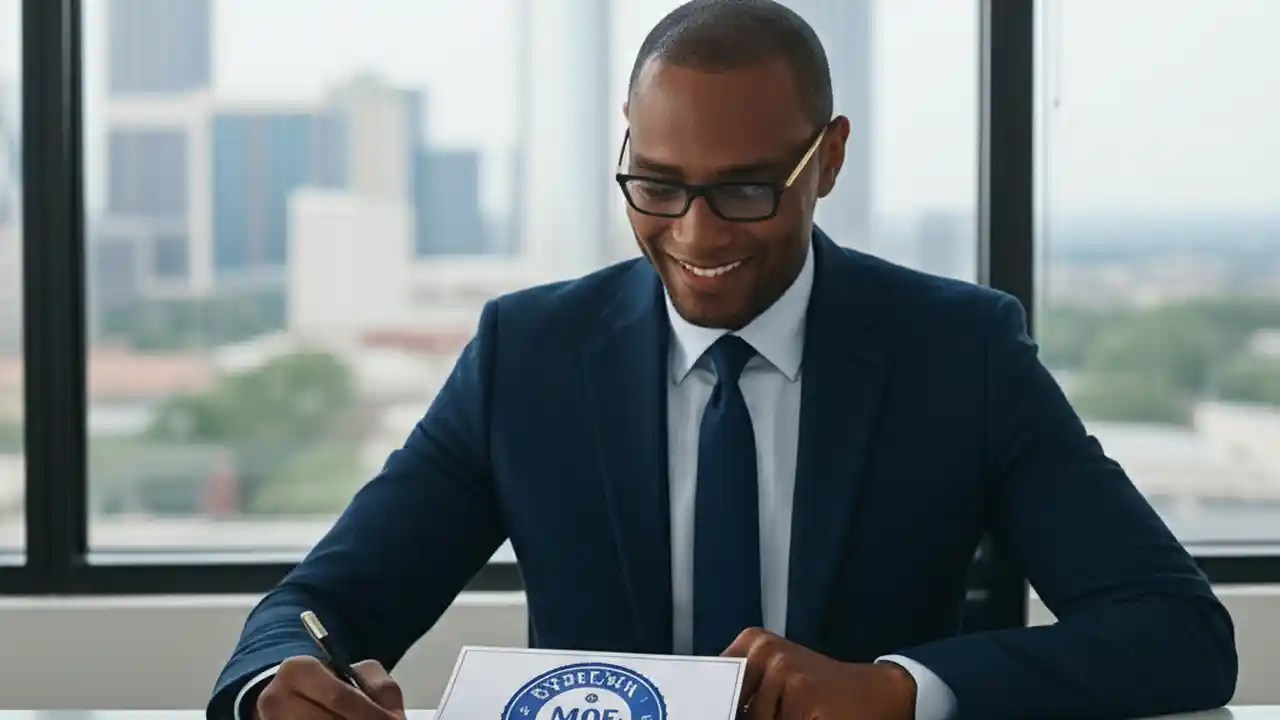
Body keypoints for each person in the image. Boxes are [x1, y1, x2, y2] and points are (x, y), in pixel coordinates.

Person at [210, 1, 1238, 718]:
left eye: (744, 190)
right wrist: (280, 682)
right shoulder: (524, 358)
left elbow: (1175, 632)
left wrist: (894, 689)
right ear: (626, 143)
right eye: (655, 185)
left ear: (826, 158)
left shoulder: (956, 352)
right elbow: (319, 608)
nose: (695, 235)